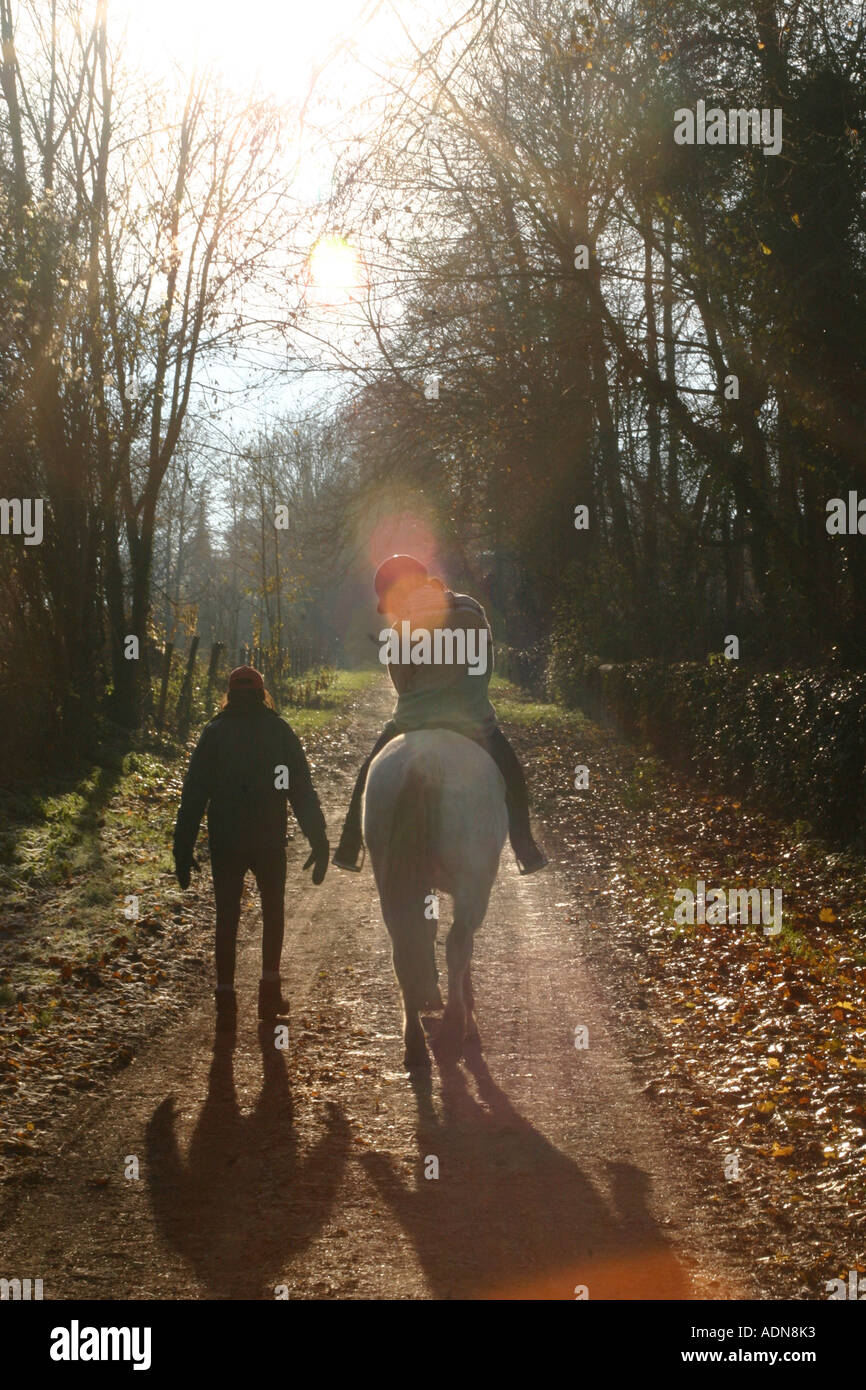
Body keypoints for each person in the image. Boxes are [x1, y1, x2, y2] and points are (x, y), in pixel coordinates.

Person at [333, 554, 547, 875]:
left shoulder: (401, 624)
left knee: (369, 771)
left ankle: (350, 846)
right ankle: (525, 847)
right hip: (473, 721)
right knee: (511, 773)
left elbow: (402, 683)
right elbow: (484, 667)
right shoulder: (470, 608)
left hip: (414, 720)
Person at [173, 664, 329, 1033]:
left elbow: (194, 793)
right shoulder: (278, 731)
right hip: (267, 838)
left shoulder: (214, 734)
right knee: (273, 911)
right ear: (261, 694)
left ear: (230, 694)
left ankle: (225, 1000)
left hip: (226, 838)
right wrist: (318, 839)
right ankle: (269, 995)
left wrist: (183, 847)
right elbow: (300, 790)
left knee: (227, 916)